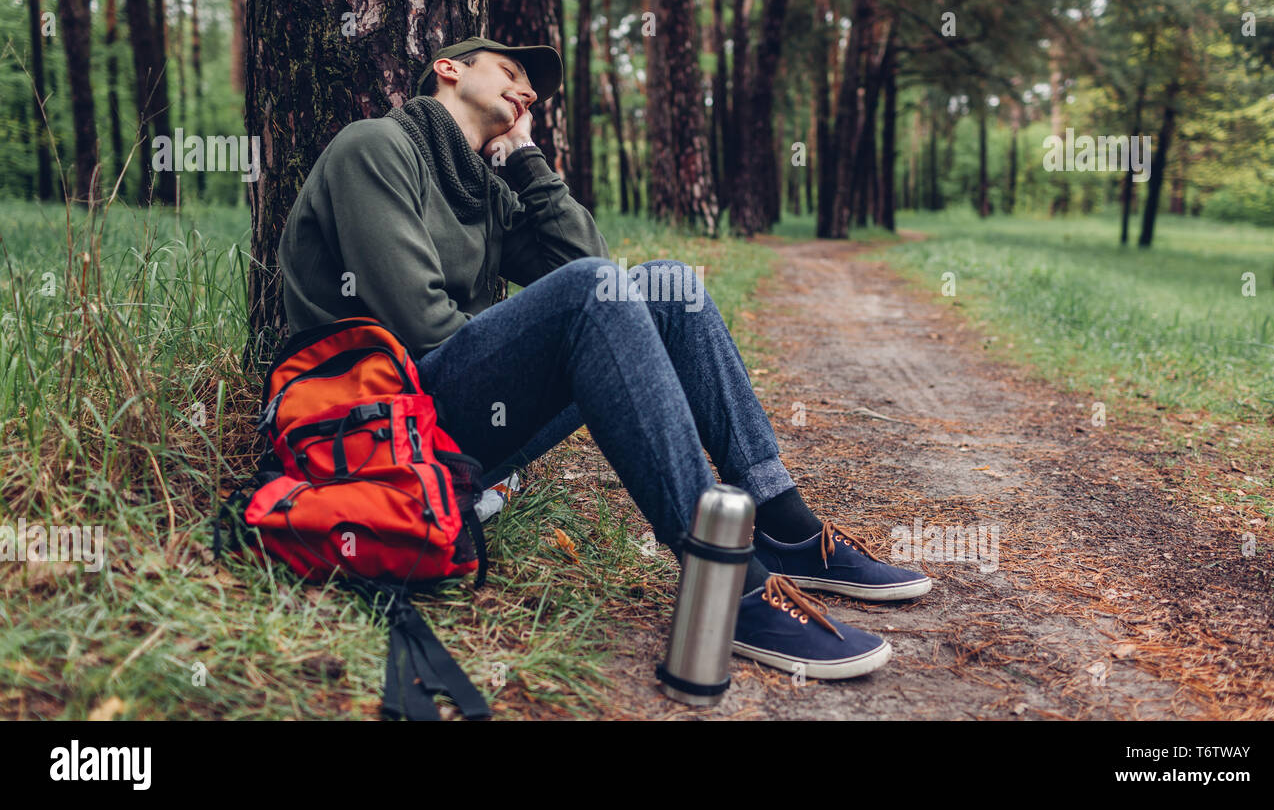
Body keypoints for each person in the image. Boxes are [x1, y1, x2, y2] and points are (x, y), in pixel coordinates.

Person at [276, 36, 933, 681]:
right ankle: (724, 582)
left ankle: (782, 524)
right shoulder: (375, 146)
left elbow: (588, 263)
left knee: (671, 286)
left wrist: (527, 157)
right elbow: (421, 331)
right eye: (510, 70)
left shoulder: (482, 189)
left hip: (447, 413)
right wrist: (538, 345)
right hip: (380, 424)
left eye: (532, 89)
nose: (527, 90)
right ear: (449, 69)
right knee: (597, 293)